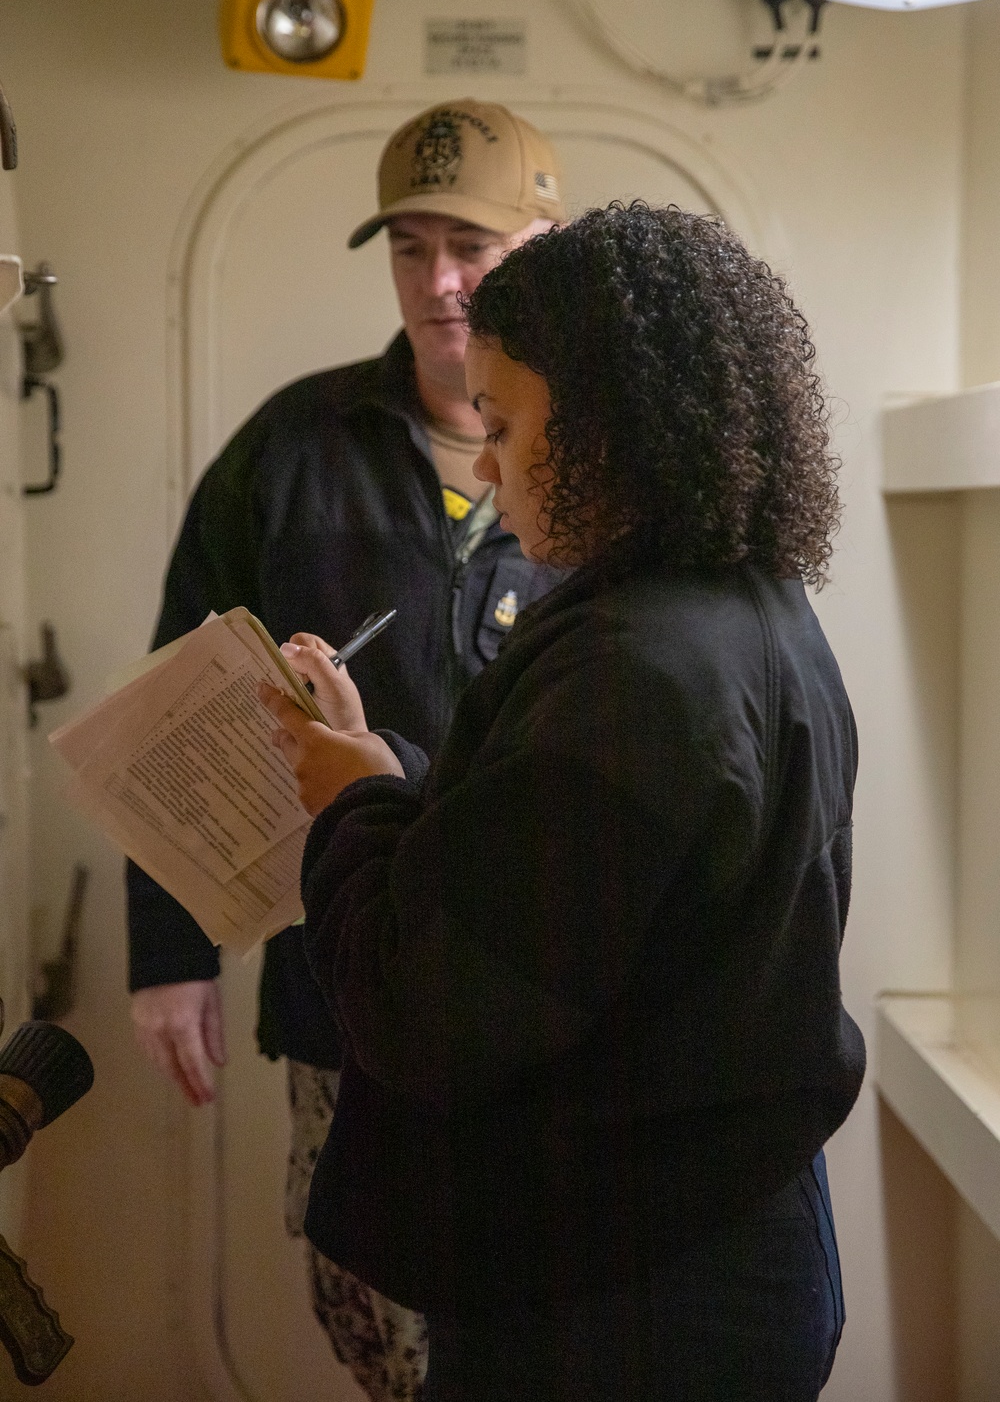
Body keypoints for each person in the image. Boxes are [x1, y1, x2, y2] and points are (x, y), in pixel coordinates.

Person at [260, 202, 867, 1402]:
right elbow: (567, 886)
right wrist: (386, 772)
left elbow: (427, 1014)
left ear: (608, 429)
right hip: (696, 1243)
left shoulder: (635, 673)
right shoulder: (739, 603)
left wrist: (352, 811)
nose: (485, 462)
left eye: (502, 421)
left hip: (629, 1306)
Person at [126, 99, 565, 1401]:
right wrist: (172, 954)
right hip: (345, 989)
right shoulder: (292, 446)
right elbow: (175, 709)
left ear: (545, 240)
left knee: (533, 1332)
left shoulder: (602, 461)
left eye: (473, 247)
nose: (440, 283)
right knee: (370, 1314)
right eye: (410, 246)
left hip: (544, 1005)